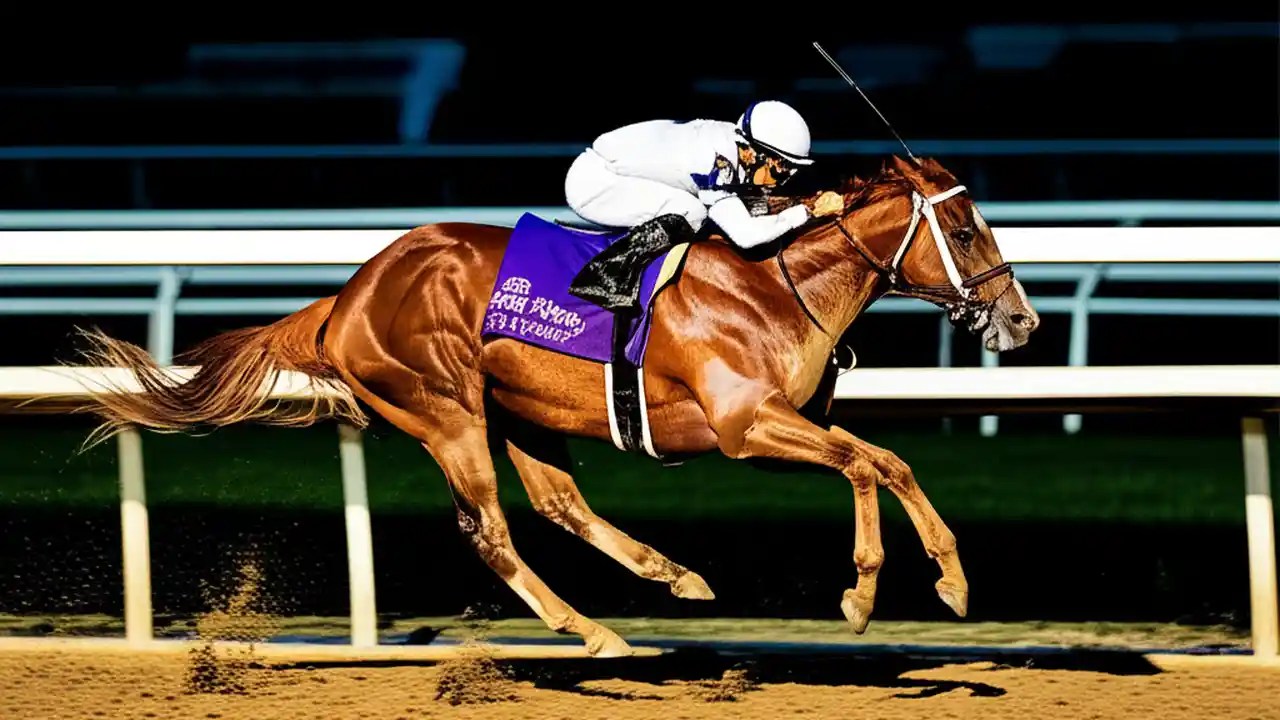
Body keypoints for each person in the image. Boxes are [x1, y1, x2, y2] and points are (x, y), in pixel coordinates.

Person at [565, 100, 845, 313]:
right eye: (782, 167)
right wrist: (808, 212)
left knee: (695, 209)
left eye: (792, 170)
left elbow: (752, 206)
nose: (785, 177)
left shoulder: (734, 144)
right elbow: (747, 236)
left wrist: (800, 204)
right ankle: (606, 277)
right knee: (693, 211)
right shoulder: (717, 161)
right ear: (752, 152)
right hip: (594, 184)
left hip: (612, 170)